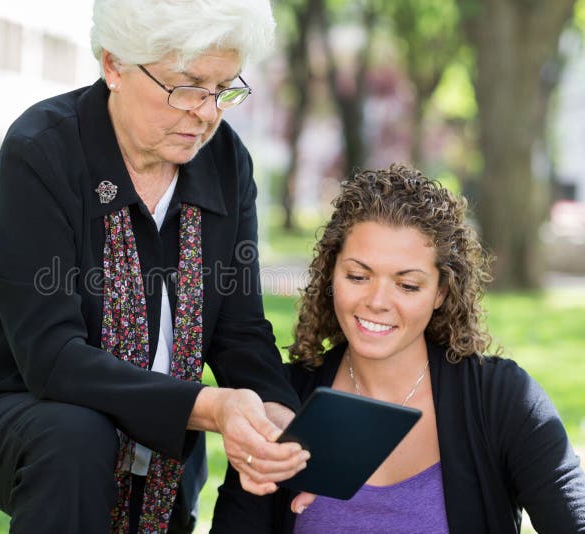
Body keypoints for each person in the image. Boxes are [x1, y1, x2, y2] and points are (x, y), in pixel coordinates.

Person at [0, 1, 311, 532]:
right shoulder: (40, 152)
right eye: (187, 85)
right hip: (12, 403)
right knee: (77, 436)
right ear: (114, 65)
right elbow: (52, 358)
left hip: (164, 430)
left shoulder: (226, 160)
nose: (205, 111)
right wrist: (210, 407)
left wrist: (276, 413)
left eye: (224, 88)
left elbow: (240, 329)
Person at [211, 165, 585, 533]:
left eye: (407, 286)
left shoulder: (503, 399)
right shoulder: (282, 401)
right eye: (358, 276)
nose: (377, 301)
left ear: (441, 292)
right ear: (331, 274)